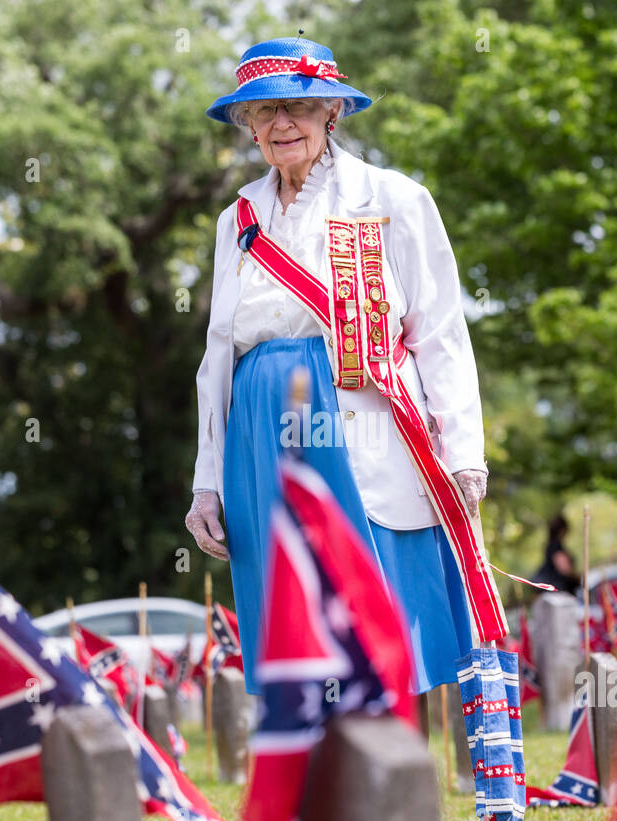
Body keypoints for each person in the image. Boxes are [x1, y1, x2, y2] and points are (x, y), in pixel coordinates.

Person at [186, 36, 504, 696]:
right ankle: (312, 768)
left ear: (332, 112)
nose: (281, 125)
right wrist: (206, 481)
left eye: (297, 109)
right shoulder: (236, 218)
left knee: (368, 587)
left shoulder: (393, 196)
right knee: (287, 595)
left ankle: (377, 770)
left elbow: (440, 329)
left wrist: (463, 449)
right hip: (258, 419)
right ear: (247, 126)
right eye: (264, 112)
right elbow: (218, 353)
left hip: (358, 412)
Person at [533, 514, 579, 595]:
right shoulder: (556, 547)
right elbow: (564, 569)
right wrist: (577, 577)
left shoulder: (550, 546)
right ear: (563, 530)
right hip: (560, 592)